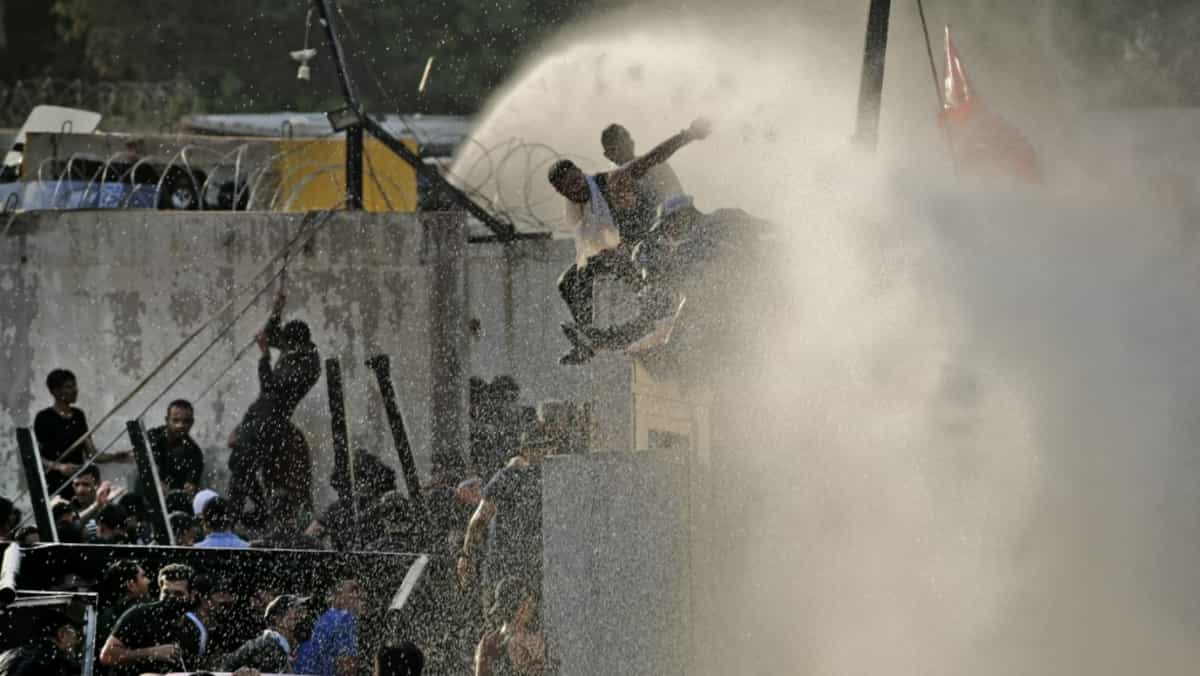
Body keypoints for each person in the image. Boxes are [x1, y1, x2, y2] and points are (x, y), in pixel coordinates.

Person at [547, 118, 710, 364]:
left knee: (653, 310)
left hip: (649, 251)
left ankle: (641, 324)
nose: (575, 189)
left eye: (576, 181)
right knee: (568, 282)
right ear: (562, 193)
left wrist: (687, 135)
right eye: (568, 189)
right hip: (621, 255)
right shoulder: (577, 210)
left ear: (582, 174)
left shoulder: (613, 182)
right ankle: (587, 341)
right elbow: (591, 251)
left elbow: (651, 158)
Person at [227, 290, 320, 524]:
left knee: (241, 464)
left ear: (298, 344)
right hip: (260, 416)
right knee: (239, 466)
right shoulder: (294, 351)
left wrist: (265, 356)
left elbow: (270, 387)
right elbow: (270, 335)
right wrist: (277, 310)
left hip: (272, 421)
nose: (284, 349)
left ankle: (255, 511)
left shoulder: (307, 364)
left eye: (287, 346)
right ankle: (256, 509)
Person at [458, 422, 558, 599]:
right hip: (540, 576)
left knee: (500, 619)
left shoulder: (510, 476)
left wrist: (466, 556)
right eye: (543, 447)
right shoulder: (558, 480)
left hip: (504, 572)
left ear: (524, 451)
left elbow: (479, 520)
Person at [33, 369, 131, 498]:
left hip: (79, 483)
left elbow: (91, 453)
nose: (75, 390)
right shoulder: (44, 418)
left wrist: (115, 457)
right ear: (55, 391)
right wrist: (60, 467)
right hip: (55, 483)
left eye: (75, 385)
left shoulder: (78, 415)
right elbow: (36, 457)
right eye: (69, 387)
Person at [100, 563, 200, 676]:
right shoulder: (140, 615)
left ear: (192, 595)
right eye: (166, 593)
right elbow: (107, 656)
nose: (171, 599)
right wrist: (152, 652)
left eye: (178, 594)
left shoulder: (192, 627)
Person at [600, 123, 685, 231]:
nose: (622, 148)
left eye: (624, 141)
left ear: (632, 143)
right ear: (608, 155)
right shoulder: (611, 181)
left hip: (669, 225)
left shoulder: (658, 166)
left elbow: (679, 200)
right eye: (615, 147)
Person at [223, 594, 314, 674]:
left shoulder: (275, 645)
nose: (303, 618)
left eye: (303, 613)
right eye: (297, 614)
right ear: (277, 619)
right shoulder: (268, 648)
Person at [473, 577, 546, 676]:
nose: (532, 607)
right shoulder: (529, 643)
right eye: (529, 603)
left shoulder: (487, 642)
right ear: (522, 608)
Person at [295, 577, 364, 675]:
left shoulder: (324, 617)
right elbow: (347, 666)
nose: (357, 596)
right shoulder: (346, 618)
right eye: (353, 591)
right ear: (338, 596)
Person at [140, 399, 204, 498]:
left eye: (186, 421)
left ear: (192, 423)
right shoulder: (152, 437)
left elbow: (190, 488)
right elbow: (144, 467)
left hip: (172, 503)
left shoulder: (194, 453)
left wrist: (175, 493)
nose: (180, 425)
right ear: (167, 420)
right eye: (175, 420)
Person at [0, 610, 80, 676]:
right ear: (62, 634)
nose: (77, 641)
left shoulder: (10, 654)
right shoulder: (57, 662)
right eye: (77, 634)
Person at [96, 560, 151, 650]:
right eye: (143, 576)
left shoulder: (104, 616)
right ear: (131, 585)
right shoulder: (141, 614)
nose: (148, 581)